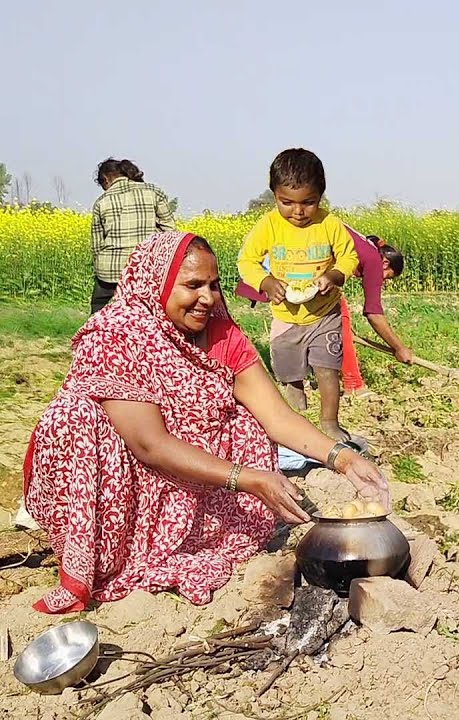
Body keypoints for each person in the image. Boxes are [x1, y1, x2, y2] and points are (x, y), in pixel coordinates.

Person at [23, 232, 388, 614]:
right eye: (193, 285)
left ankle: (199, 535)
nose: (208, 298)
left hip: (191, 467)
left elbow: (276, 416)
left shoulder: (221, 333)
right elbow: (151, 444)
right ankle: (113, 550)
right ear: (156, 284)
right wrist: (249, 478)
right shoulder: (117, 336)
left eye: (213, 285)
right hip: (128, 470)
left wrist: (344, 459)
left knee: (243, 418)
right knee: (76, 418)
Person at [236, 149, 359, 440]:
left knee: (327, 369)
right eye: (286, 203)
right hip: (285, 316)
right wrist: (265, 282)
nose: (298, 211)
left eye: (309, 202)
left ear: (321, 196)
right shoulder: (268, 225)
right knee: (289, 374)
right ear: (274, 195)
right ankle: (296, 416)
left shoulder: (329, 224)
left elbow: (348, 257)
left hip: (324, 313)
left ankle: (329, 422)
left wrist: (334, 275)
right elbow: (246, 261)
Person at [239, 227, 413, 398]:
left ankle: (298, 377)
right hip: (292, 266)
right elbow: (373, 312)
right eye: (386, 276)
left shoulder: (360, 245)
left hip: (291, 262)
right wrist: (399, 348)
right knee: (333, 316)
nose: (381, 280)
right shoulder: (373, 258)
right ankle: (352, 383)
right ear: (385, 263)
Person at [90, 158, 176, 313]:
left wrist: (99, 266)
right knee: (147, 312)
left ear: (106, 179)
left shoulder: (101, 201)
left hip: (109, 272)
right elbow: (170, 231)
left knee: (98, 311)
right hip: (144, 268)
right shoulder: (153, 191)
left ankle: (96, 334)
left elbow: (96, 246)